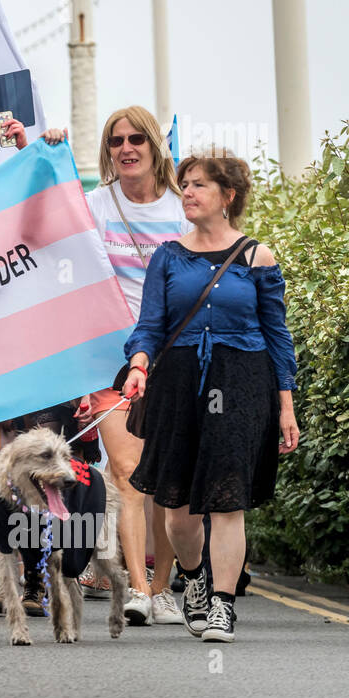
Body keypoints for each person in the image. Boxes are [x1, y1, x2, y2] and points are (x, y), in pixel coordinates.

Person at [0, 106, 189, 626]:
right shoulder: (96, 203)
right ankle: (138, 589)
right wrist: (35, 148)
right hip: (110, 359)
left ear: (155, 145)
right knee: (129, 472)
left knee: (169, 480)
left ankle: (163, 587)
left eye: (137, 138)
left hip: (176, 356)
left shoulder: (183, 208)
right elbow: (41, 222)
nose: (126, 147)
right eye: (116, 140)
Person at [123, 147, 299, 642]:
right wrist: (138, 364)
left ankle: (223, 605)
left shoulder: (256, 256)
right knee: (177, 510)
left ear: (229, 196)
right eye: (186, 184)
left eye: (199, 184)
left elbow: (279, 337)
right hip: (178, 383)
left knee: (227, 500)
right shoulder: (167, 256)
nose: (188, 193)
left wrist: (285, 407)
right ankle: (194, 577)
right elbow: (149, 326)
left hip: (242, 380)